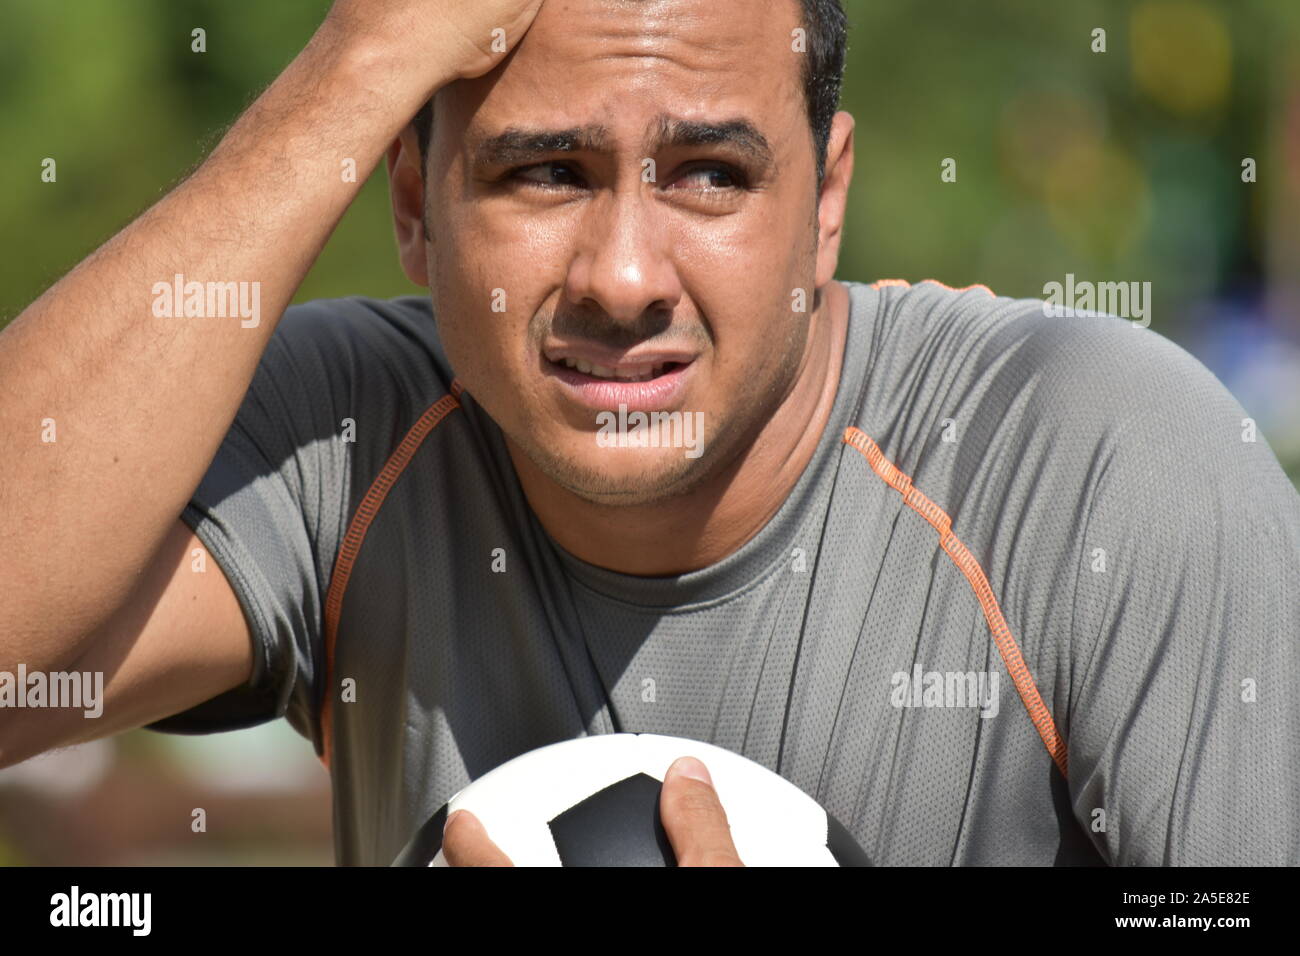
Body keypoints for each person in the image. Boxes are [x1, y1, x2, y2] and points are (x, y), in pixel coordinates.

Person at [1, 0, 1296, 867]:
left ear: (826, 203)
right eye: (545, 172)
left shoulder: (1103, 466)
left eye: (711, 175)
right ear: (413, 205)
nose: (623, 277)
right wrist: (345, 77)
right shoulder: (346, 435)